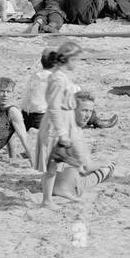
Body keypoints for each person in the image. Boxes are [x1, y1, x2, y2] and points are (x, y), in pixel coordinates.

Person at [34, 40, 102, 207]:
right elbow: (54, 107)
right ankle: (47, 200)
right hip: (56, 126)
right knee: (52, 166)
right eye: (76, 60)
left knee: (63, 159)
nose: (77, 64)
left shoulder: (61, 76)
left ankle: (75, 175)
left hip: (66, 122)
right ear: (69, 59)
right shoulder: (58, 78)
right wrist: (62, 133)